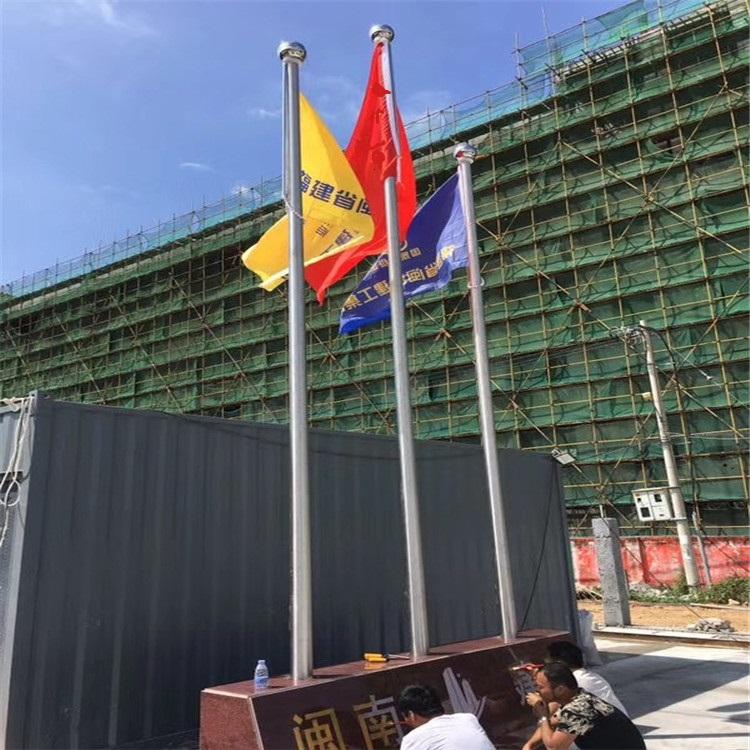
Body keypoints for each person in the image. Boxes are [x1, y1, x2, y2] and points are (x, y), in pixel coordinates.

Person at [523, 662, 646, 750]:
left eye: (540, 687)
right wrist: (530, 745)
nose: (537, 691)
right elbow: (554, 723)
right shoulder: (579, 698)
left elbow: (554, 747)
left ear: (560, 689)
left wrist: (542, 715)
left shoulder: (578, 709)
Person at [396, 684, 495, 750]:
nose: (407, 722)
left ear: (411, 715)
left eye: (405, 717)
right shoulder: (468, 719)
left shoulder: (411, 741)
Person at [546, 640, 629, 716]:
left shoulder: (575, 681)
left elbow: (553, 713)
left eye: (547, 664)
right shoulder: (588, 676)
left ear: (559, 664)